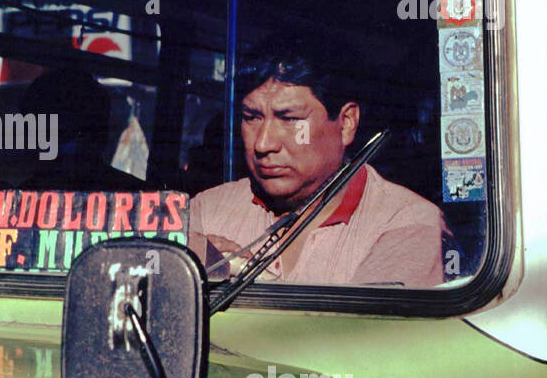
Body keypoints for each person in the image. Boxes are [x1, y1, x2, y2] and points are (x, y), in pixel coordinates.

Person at [189, 39, 445, 286]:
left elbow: (363, 329)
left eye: (289, 119)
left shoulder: (407, 223)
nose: (263, 144)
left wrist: (235, 271)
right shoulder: (208, 210)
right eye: (252, 118)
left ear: (346, 123)